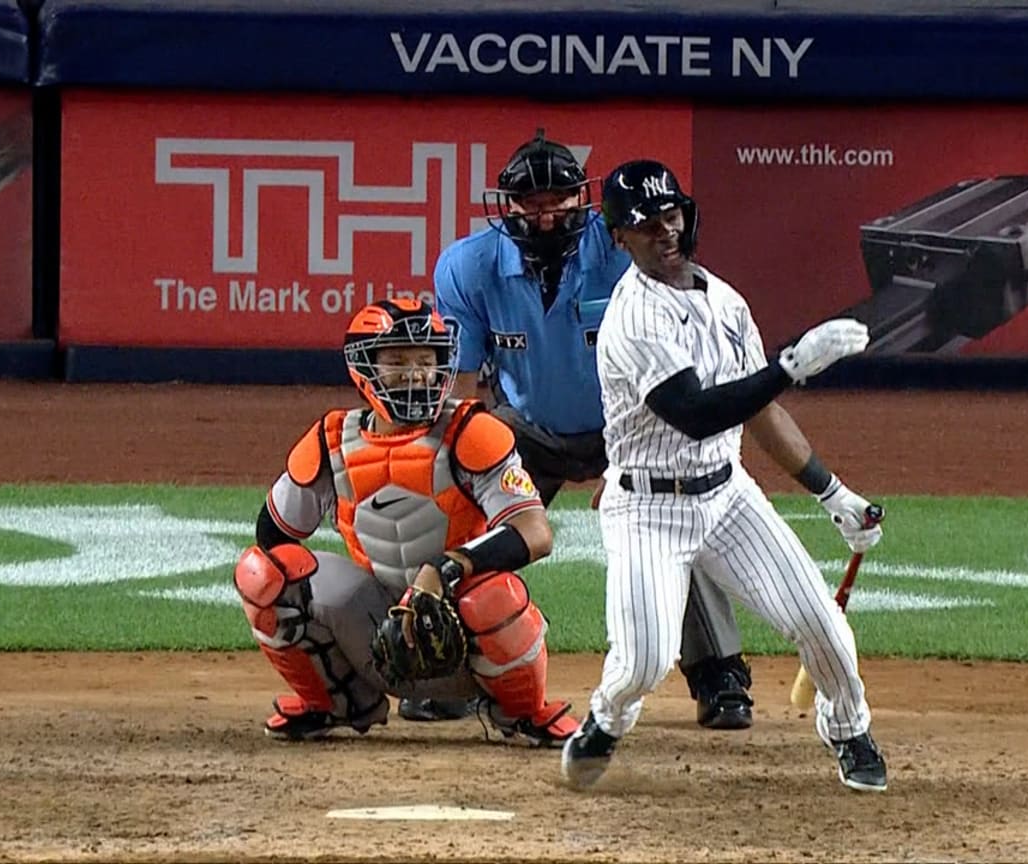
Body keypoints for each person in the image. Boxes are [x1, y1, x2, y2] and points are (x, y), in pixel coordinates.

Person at [560, 159, 889, 793]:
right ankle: (605, 719)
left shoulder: (726, 301)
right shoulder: (633, 318)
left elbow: (755, 407)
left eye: (672, 214)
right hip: (647, 510)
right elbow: (695, 414)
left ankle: (849, 729)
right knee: (644, 661)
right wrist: (790, 364)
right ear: (619, 237)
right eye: (646, 224)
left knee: (822, 626)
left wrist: (832, 491)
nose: (665, 231)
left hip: (727, 495)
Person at [412, 129, 756, 731]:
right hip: (529, 431)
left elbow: (683, 356)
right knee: (465, 509)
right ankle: (455, 672)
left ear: (583, 198)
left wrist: (635, 463)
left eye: (559, 199)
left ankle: (720, 673)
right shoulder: (468, 266)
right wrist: (464, 468)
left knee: (680, 504)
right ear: (509, 206)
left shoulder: (625, 246)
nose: (546, 214)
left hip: (632, 426)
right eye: (530, 203)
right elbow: (464, 384)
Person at [232, 297, 580, 746]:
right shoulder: (333, 440)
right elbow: (274, 536)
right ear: (364, 367)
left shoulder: (471, 431)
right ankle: (336, 701)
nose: (416, 374)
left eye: (426, 361)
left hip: (459, 627)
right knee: (264, 574)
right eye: (397, 360)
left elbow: (535, 533)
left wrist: (445, 569)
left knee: (497, 597)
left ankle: (523, 713)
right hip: (374, 631)